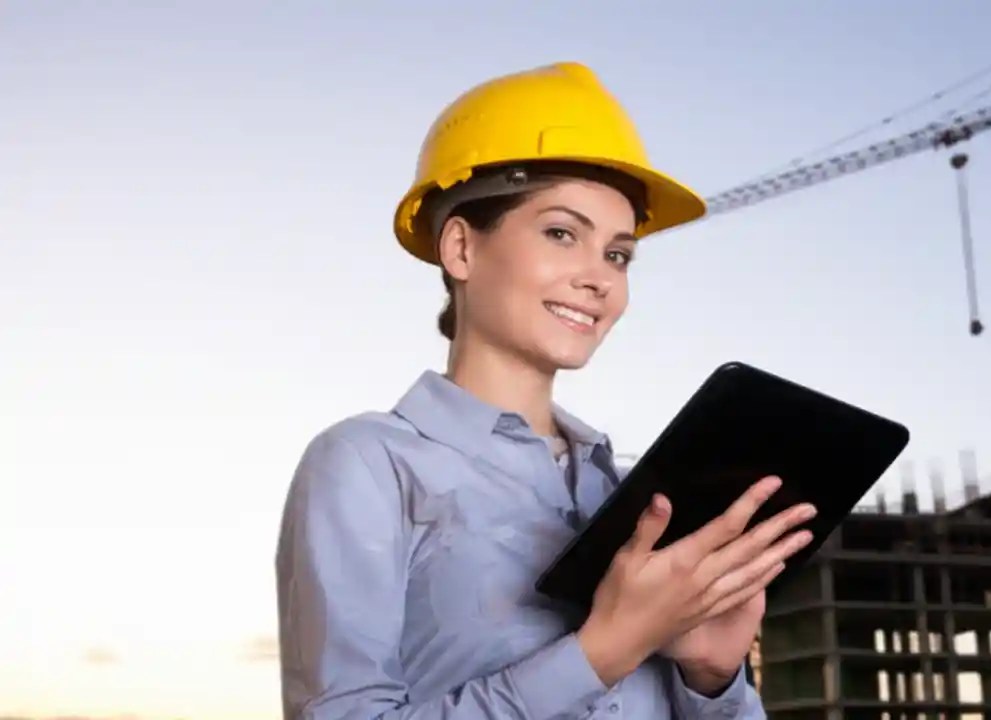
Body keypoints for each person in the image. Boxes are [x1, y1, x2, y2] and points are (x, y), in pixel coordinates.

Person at [274, 61, 816, 719]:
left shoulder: (628, 498)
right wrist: (603, 650)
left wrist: (714, 678)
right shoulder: (369, 465)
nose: (600, 279)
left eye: (618, 254)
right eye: (562, 233)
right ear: (461, 249)